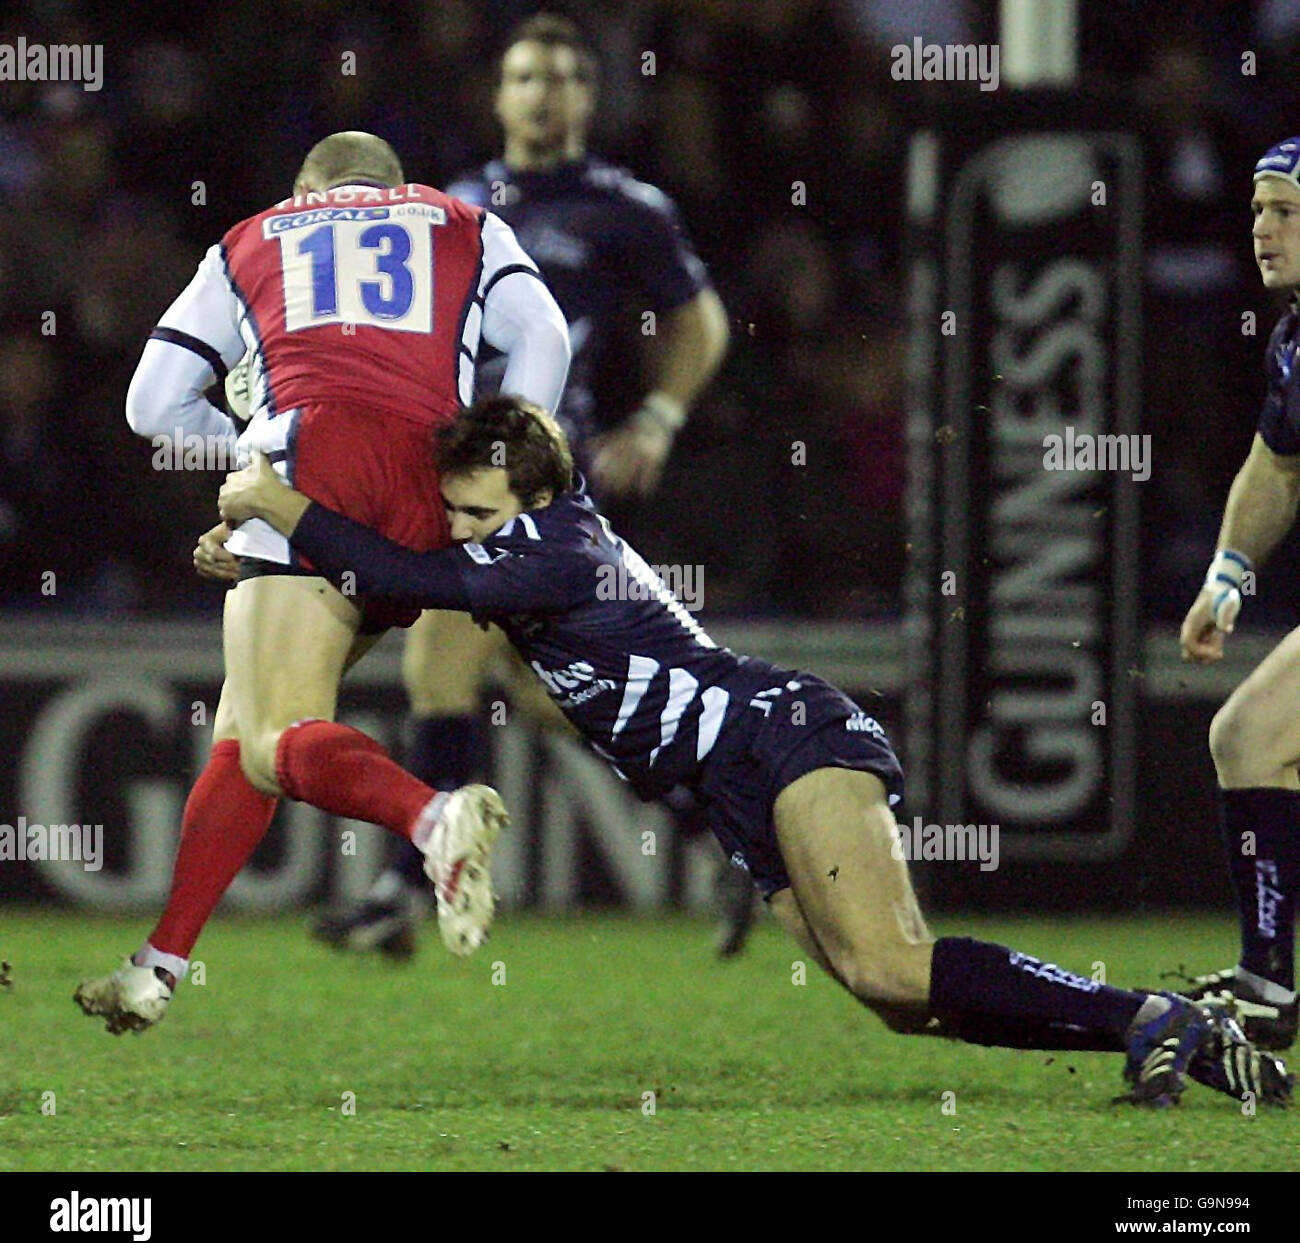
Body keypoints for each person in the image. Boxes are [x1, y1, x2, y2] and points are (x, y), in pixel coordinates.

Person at [212, 394, 1292, 1107]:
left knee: (886, 958)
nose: (460, 528)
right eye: (452, 509)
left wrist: (280, 504)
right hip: (735, 781)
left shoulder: (556, 543)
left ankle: (1143, 1014)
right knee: (894, 1000)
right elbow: (401, 575)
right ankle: (1156, 1030)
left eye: (478, 510)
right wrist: (267, 565)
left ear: (536, 497)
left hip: (781, 735)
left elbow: (422, 581)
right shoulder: (517, 541)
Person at [74, 132, 570, 1035]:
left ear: (307, 187)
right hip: (431, 484)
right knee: (246, 726)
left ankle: (433, 820)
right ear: (396, 184)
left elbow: (151, 405)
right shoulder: (467, 221)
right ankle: (159, 963)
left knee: (273, 739)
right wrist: (500, 475)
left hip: (313, 461)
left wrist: (254, 459)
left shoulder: (257, 235)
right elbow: (543, 333)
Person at [318, 12, 735, 961]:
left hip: (547, 475)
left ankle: (400, 882)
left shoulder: (624, 206)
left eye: (562, 77)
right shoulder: (454, 202)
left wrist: (659, 420)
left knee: (443, 652)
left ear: (588, 95)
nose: (544, 93)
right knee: (553, 693)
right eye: (526, 76)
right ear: (500, 95)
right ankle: (718, 826)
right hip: (456, 466)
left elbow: (699, 322)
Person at [1176, 136, 1300, 1052]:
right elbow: (1276, 463)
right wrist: (1228, 572)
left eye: (1286, 210)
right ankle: (1266, 992)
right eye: (1258, 208)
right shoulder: (1295, 340)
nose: (1262, 228)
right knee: (1249, 737)